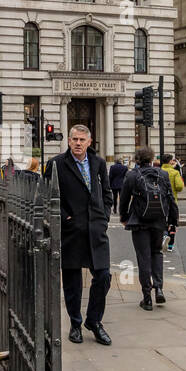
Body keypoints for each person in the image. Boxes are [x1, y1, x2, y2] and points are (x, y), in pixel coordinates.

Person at [46, 124, 111, 345]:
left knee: (103, 276)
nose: (78, 143)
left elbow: (107, 192)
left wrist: (104, 217)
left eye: (82, 140)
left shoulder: (98, 163)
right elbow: (48, 195)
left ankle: (94, 321)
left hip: (96, 230)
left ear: (89, 142)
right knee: (72, 283)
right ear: (69, 140)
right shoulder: (56, 164)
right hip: (71, 232)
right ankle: (75, 324)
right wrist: (65, 218)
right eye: (74, 139)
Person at [118, 146, 178, 310]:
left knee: (143, 257)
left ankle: (147, 298)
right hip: (159, 221)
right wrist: (173, 222)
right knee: (157, 253)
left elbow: (123, 199)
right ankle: (158, 288)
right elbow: (170, 199)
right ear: (152, 159)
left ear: (137, 159)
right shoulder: (163, 174)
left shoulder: (132, 175)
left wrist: (123, 217)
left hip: (139, 221)